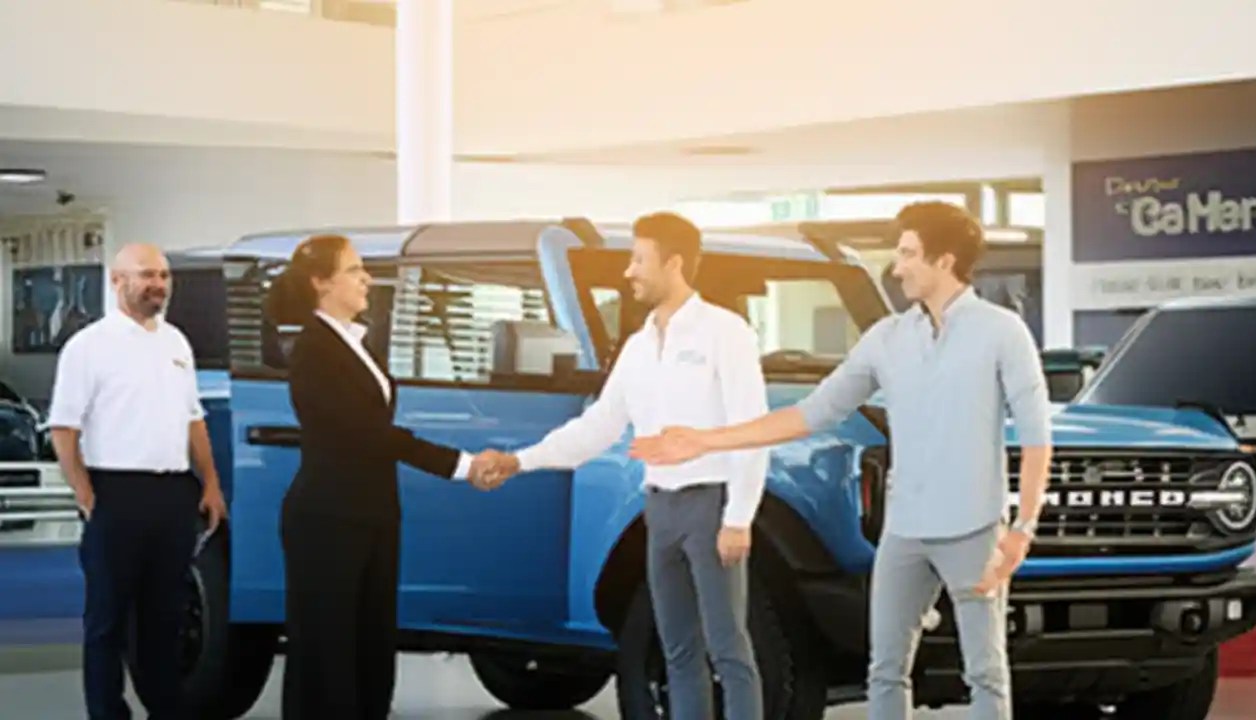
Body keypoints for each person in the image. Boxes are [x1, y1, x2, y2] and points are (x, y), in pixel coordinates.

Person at [630, 201, 1053, 720]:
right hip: (905, 530)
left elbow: (1036, 437)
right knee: (885, 669)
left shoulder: (1002, 331)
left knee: (985, 673)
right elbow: (812, 413)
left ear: (945, 261)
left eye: (907, 254)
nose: (896, 267)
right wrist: (707, 440)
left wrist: (1021, 531)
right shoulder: (888, 339)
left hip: (974, 527)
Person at [474, 212, 769, 720]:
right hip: (660, 507)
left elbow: (751, 428)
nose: (629, 272)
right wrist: (519, 461)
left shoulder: (726, 332)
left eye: (638, 259)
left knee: (728, 647)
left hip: (711, 505)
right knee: (677, 649)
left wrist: (739, 517)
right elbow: (598, 427)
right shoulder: (637, 347)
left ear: (673, 263)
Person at [270, 234, 491, 719]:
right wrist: (460, 465)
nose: (366, 278)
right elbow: (366, 434)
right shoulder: (313, 350)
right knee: (327, 656)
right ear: (321, 283)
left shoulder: (355, 343)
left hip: (371, 513)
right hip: (329, 518)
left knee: (369, 650)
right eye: (353, 270)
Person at [48, 243, 229, 720]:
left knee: (164, 616)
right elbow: (63, 428)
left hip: (172, 492)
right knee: (107, 619)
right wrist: (85, 494)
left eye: (164, 276)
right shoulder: (88, 346)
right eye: (147, 274)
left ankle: (165, 708)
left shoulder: (176, 343)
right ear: (117, 280)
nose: (159, 285)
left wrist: (210, 482)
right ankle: (108, 712)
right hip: (115, 492)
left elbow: (195, 419)